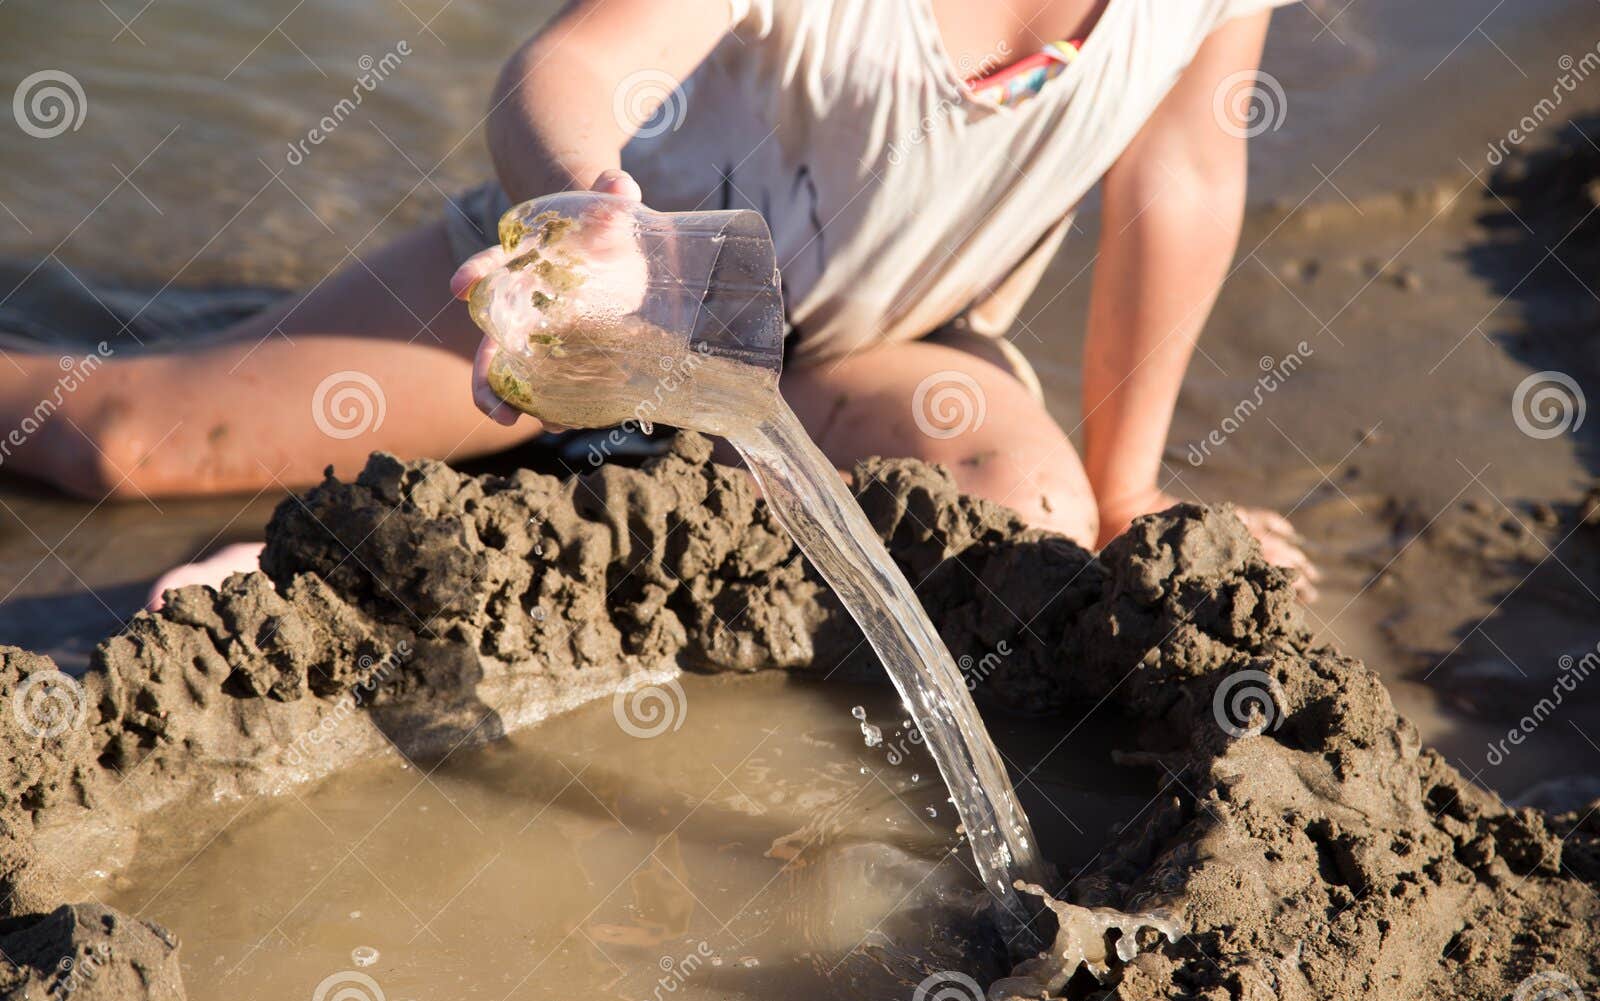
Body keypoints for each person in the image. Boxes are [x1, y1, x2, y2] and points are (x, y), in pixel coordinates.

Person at [0, 0, 1318, 605]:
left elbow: (1187, 174)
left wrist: (1132, 485)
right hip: (619, 293)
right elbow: (570, 62)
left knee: (1039, 517)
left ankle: (506, 538)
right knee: (123, 440)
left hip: (883, 349)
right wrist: (591, 209)